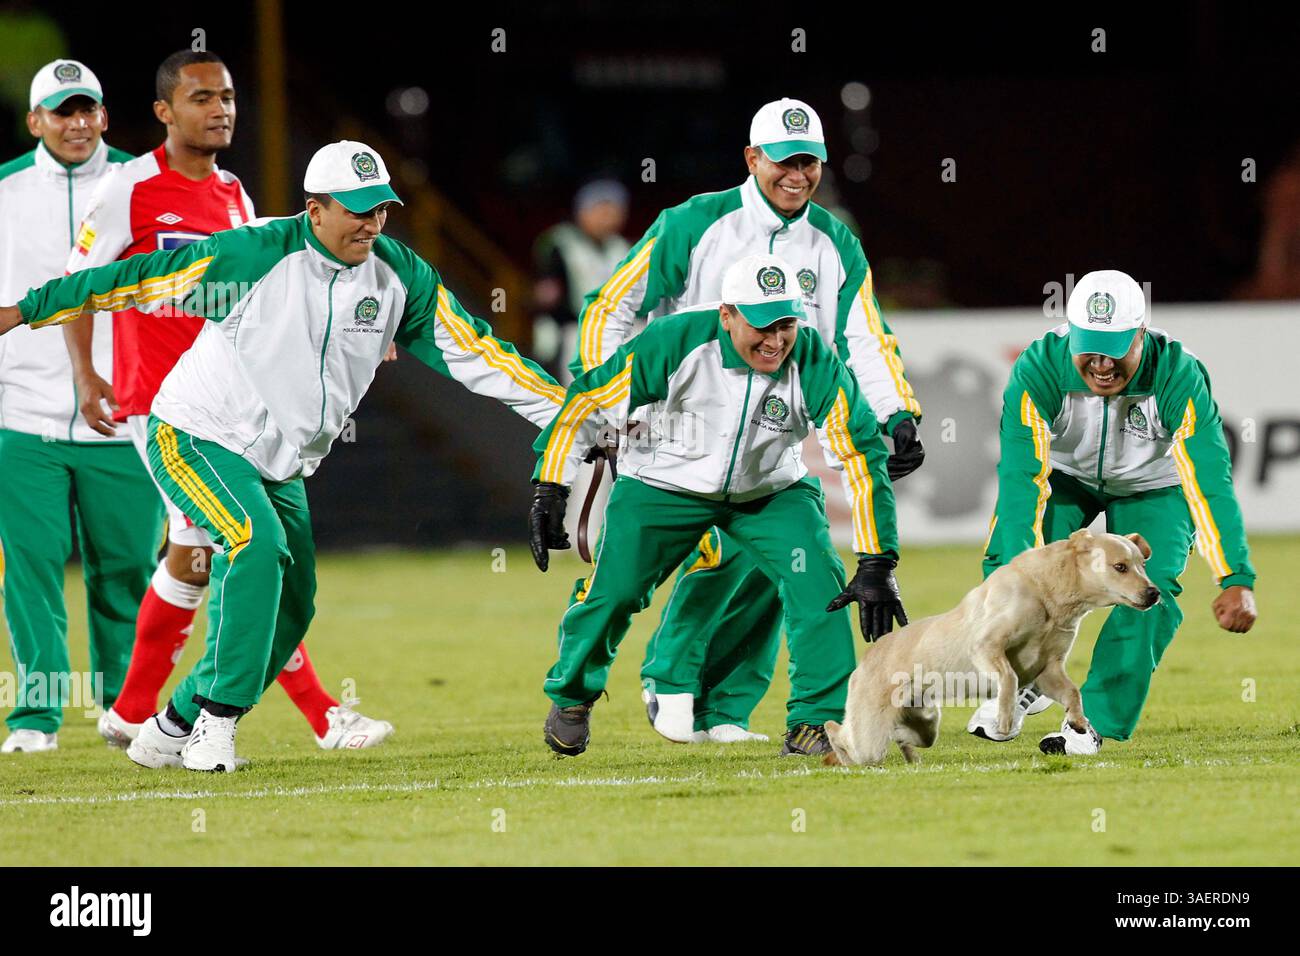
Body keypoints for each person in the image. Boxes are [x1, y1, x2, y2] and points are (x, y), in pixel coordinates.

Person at [0, 140, 566, 772]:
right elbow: (129, 280)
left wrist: (565, 410)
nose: (371, 223)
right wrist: (24, 310)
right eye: (355, 209)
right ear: (314, 207)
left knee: (294, 606)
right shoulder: (254, 252)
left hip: (283, 463)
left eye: (380, 208)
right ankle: (215, 726)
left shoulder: (399, 275)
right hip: (195, 432)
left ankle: (173, 721)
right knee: (254, 543)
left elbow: (480, 354)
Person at [568, 98, 924, 751]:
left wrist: (896, 410)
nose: (798, 175)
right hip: (680, 440)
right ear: (752, 158)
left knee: (783, 571)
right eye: (784, 161)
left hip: (770, 443)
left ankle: (738, 709)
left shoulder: (835, 241)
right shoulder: (696, 223)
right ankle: (663, 676)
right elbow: (607, 310)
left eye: (809, 161)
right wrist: (607, 403)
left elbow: (863, 335)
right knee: (689, 568)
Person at [61, 50, 390, 752]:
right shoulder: (128, 189)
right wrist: (87, 375)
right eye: (202, 98)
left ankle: (130, 716)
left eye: (229, 97)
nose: (220, 110)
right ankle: (316, 713)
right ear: (163, 112)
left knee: (193, 553)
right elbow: (82, 280)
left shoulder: (236, 195)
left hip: (235, 403)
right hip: (164, 406)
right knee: (248, 548)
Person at [530, 253, 907, 758]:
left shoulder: (814, 359)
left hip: (769, 491)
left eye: (787, 324)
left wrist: (878, 560)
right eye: (762, 326)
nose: (776, 340)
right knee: (615, 594)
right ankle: (572, 696)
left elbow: (861, 454)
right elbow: (585, 405)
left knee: (818, 586)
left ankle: (816, 722)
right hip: (662, 487)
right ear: (727, 315)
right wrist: (550, 486)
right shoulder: (673, 342)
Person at [973, 270, 1258, 754]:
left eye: (1116, 347)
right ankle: (1026, 680)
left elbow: (1208, 479)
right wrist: (1014, 573)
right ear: (1070, 335)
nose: (1102, 364)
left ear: (1141, 335)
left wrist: (1234, 576)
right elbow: (1021, 482)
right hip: (1065, 479)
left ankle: (1093, 723)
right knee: (1017, 566)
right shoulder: (1038, 370)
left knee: (1152, 590)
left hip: (1156, 487)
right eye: (1089, 347)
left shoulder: (1177, 373)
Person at [0, 59, 161, 754]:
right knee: (30, 570)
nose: (76, 123)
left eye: (86, 109)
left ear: (104, 115)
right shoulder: (3, 190)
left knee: (125, 572)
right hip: (22, 414)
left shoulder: (142, 182)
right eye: (61, 111)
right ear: (35, 120)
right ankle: (35, 718)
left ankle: (123, 712)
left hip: (123, 413)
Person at [532, 179, 630, 383]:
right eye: (601, 211)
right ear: (583, 211)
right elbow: (547, 295)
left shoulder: (621, 247)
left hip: (613, 331)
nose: (607, 219)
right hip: (572, 331)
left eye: (613, 212)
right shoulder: (560, 242)